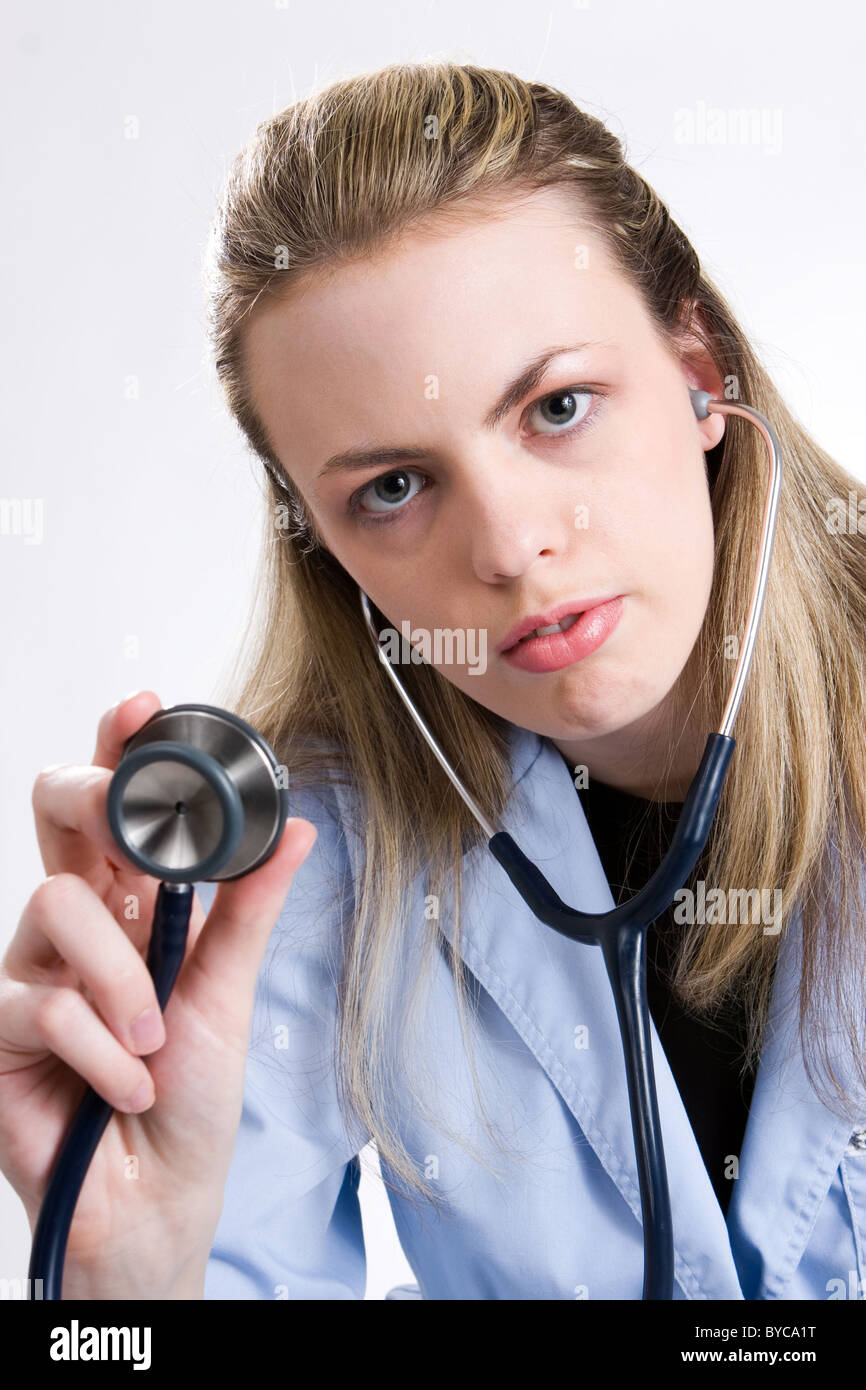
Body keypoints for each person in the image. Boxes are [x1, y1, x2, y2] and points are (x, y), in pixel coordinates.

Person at [2, 61, 866, 1302]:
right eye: (392, 488)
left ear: (696, 367)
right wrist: (129, 1283)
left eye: (557, 406)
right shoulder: (303, 856)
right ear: (321, 538)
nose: (509, 546)